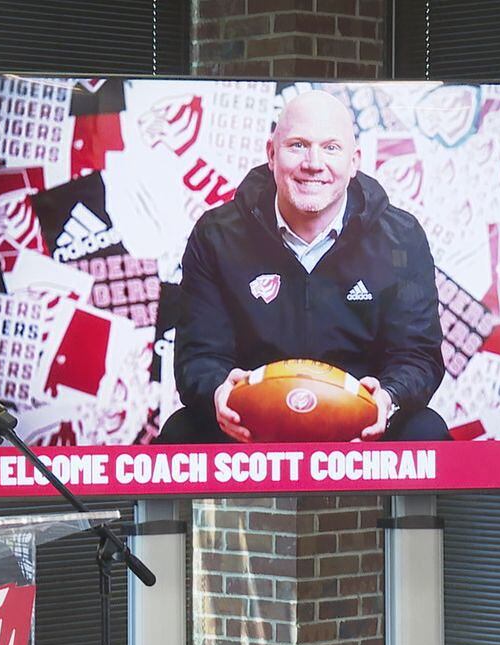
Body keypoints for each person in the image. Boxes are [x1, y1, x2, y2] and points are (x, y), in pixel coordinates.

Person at [171, 90, 450, 443]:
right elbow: (199, 355)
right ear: (271, 154)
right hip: (249, 422)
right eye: (298, 145)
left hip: (363, 423)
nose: (313, 163)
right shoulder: (216, 235)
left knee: (427, 432)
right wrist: (219, 391)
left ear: (354, 161)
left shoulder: (401, 238)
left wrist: (388, 398)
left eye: (331, 147)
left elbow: (418, 355)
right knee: (181, 432)